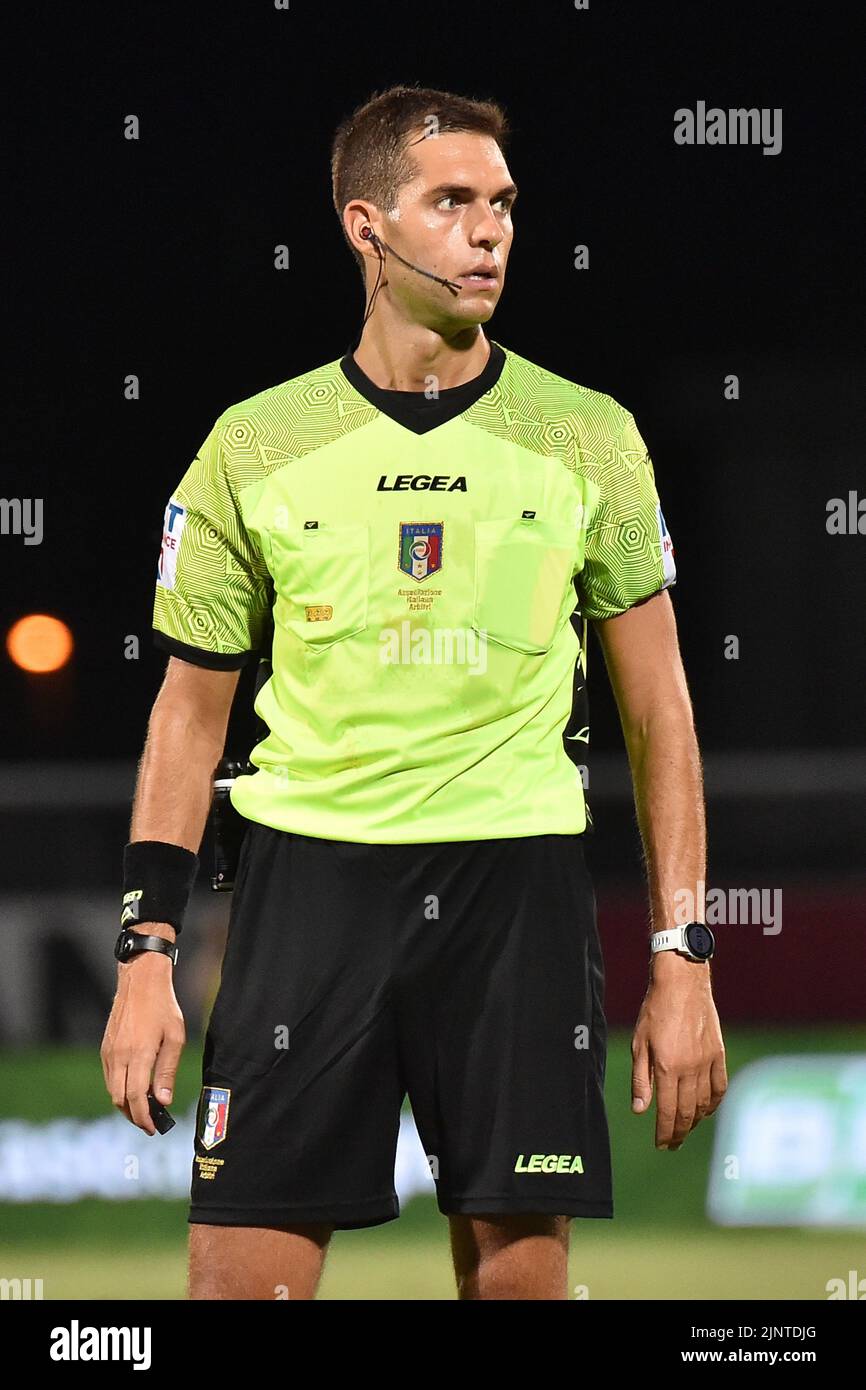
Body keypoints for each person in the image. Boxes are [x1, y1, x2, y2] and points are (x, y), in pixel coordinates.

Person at [101, 83, 727, 1301]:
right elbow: (187, 714)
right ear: (364, 227)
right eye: (451, 202)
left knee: (517, 1292)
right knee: (238, 1292)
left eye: (501, 204)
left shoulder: (587, 436)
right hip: (306, 886)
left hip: (516, 888)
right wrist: (144, 951)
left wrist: (682, 954)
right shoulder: (254, 444)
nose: (489, 230)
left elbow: (660, 714)